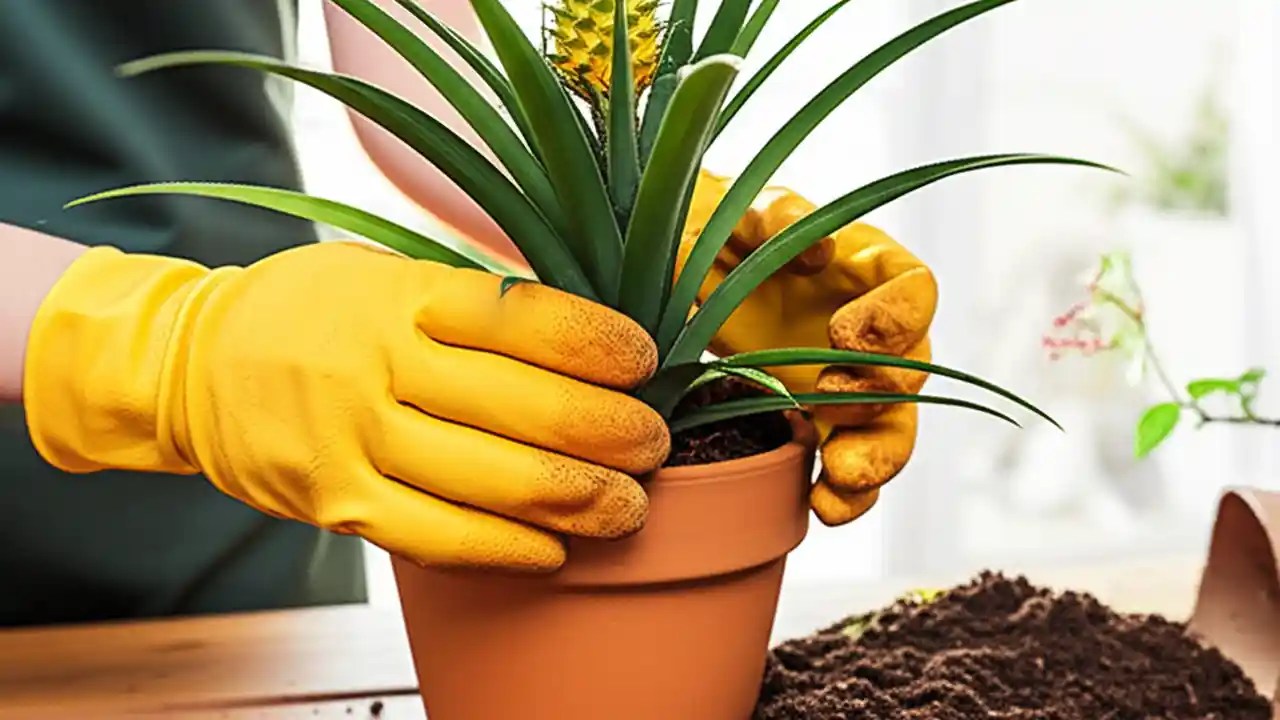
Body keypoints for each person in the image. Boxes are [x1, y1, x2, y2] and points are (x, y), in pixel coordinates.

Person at [0, 1, 936, 628]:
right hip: (222, 382)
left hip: (271, 454)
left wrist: (664, 229)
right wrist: (155, 344)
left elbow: (424, 67)